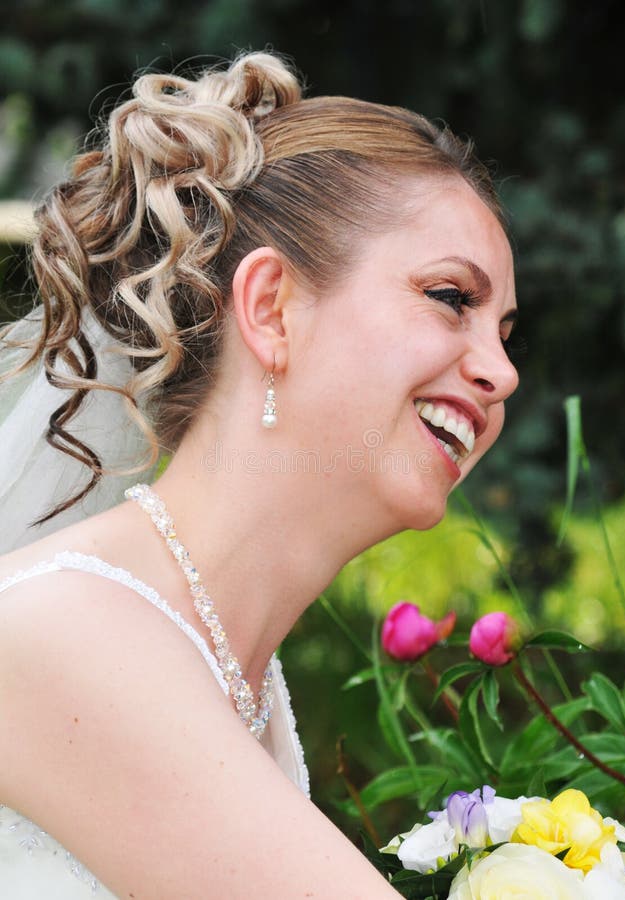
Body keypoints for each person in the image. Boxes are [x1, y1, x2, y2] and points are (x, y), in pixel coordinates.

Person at [0, 50, 518, 898]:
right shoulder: (69, 631)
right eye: (451, 298)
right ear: (270, 307)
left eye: (505, 331)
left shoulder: (245, 685)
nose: (501, 373)